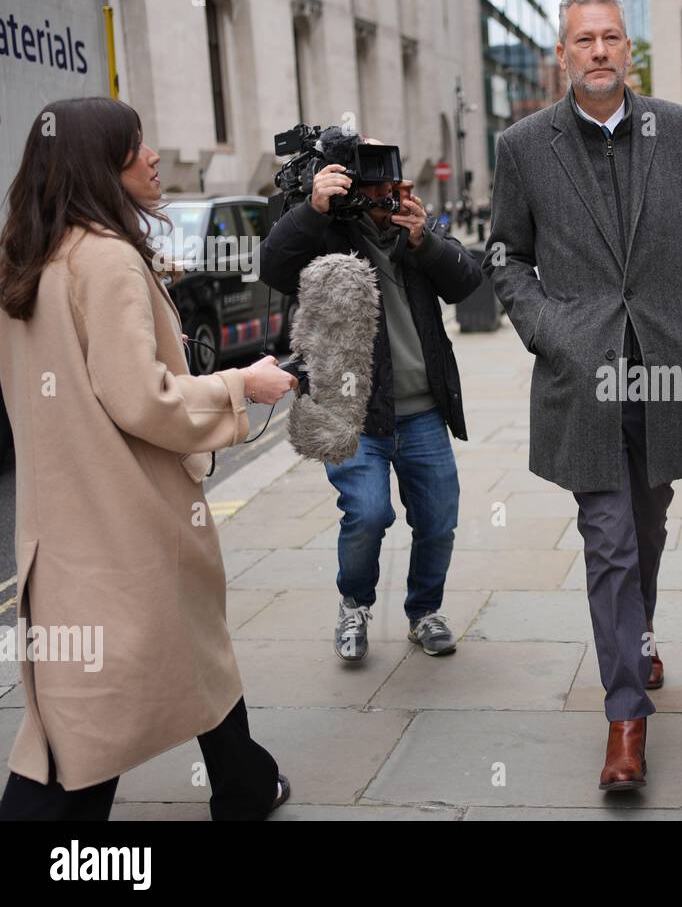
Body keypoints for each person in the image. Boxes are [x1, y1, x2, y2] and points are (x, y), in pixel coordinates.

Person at [0, 97, 295, 820]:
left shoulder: (35, 254)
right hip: (127, 515)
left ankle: (245, 787)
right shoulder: (104, 258)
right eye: (137, 146)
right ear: (100, 163)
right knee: (93, 715)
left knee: (172, 663)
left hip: (62, 520)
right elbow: (143, 400)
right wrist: (242, 384)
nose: (154, 156)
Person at [485, 0, 682, 791]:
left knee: (650, 525)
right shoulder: (524, 146)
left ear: (630, 50)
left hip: (665, 370)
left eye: (612, 38)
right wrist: (551, 332)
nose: (599, 51)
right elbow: (506, 258)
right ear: (563, 55)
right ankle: (625, 717)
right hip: (581, 379)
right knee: (611, 541)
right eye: (584, 40)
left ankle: (642, 631)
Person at [260, 140, 482, 663]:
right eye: (372, 184)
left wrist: (425, 239)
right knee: (367, 514)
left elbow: (468, 282)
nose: (385, 193)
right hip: (355, 414)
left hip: (424, 411)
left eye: (390, 182)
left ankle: (424, 612)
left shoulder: (414, 233)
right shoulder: (326, 235)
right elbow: (272, 266)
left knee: (437, 519)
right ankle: (355, 606)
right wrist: (311, 210)